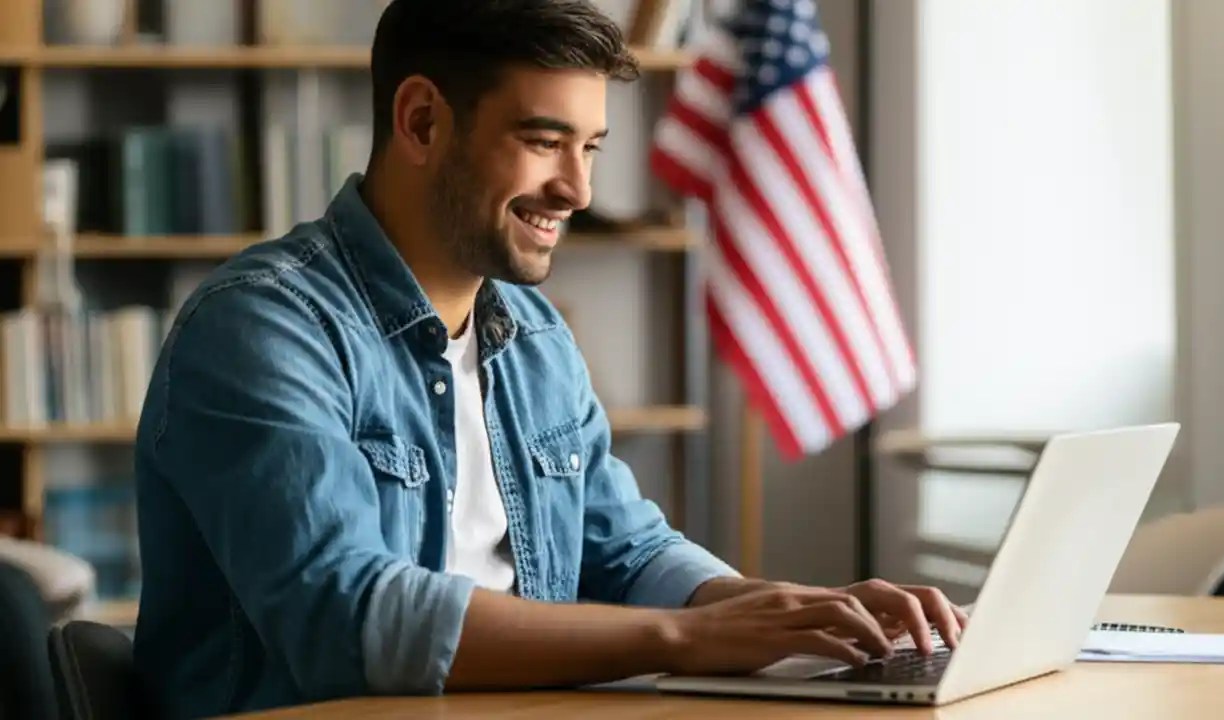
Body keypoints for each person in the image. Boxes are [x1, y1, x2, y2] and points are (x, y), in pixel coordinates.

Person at [132, 1, 968, 717]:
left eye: (591, 148)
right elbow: (348, 618)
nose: (579, 190)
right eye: (544, 141)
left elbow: (627, 553)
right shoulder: (262, 327)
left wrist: (788, 612)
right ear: (421, 121)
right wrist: (689, 637)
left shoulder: (534, 336)